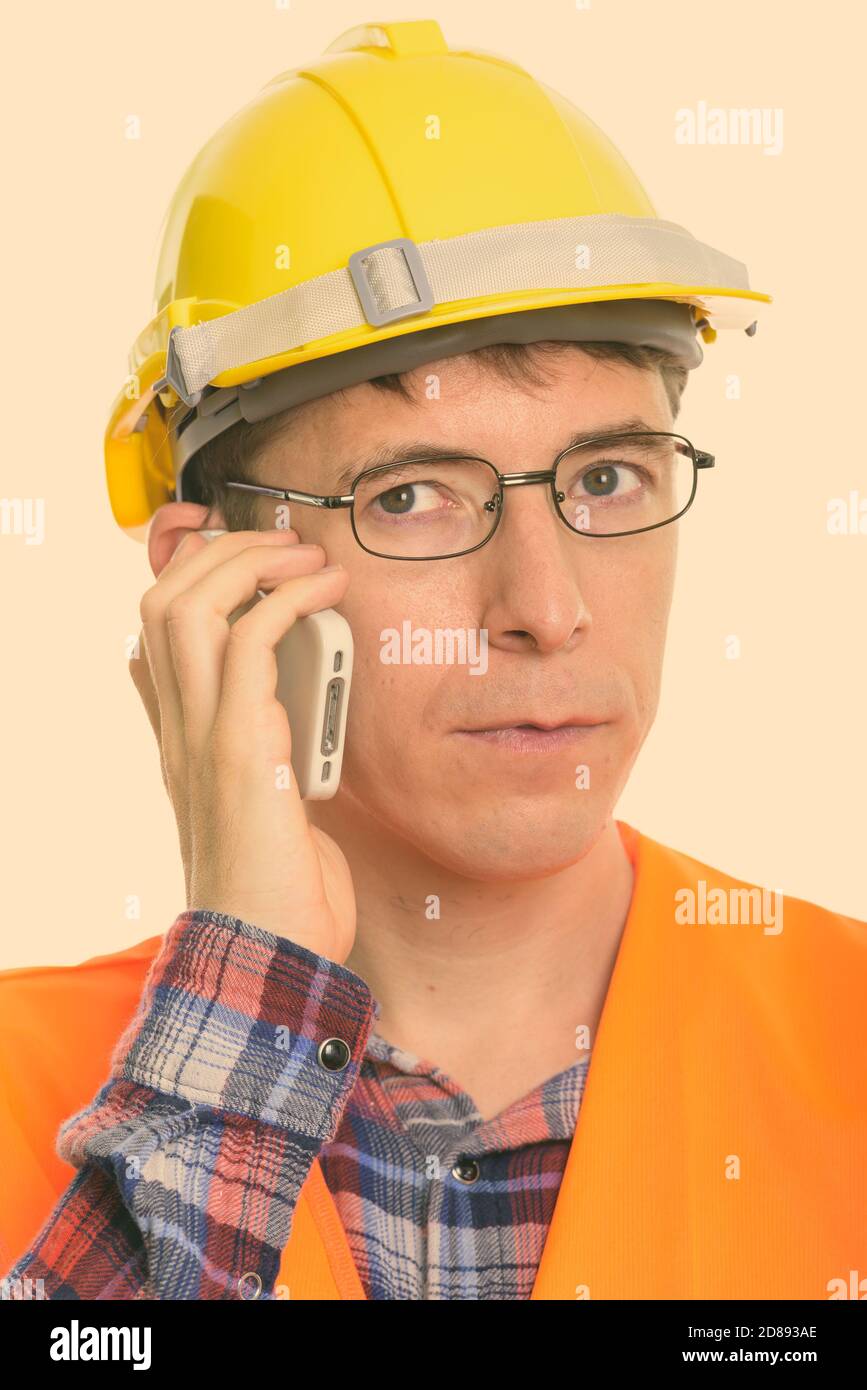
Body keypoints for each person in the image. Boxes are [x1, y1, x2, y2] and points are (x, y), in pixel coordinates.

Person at [1, 18, 865, 1303]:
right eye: (413, 495)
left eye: (610, 476)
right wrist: (241, 1016)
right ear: (209, 575)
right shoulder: (22, 1079)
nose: (549, 607)